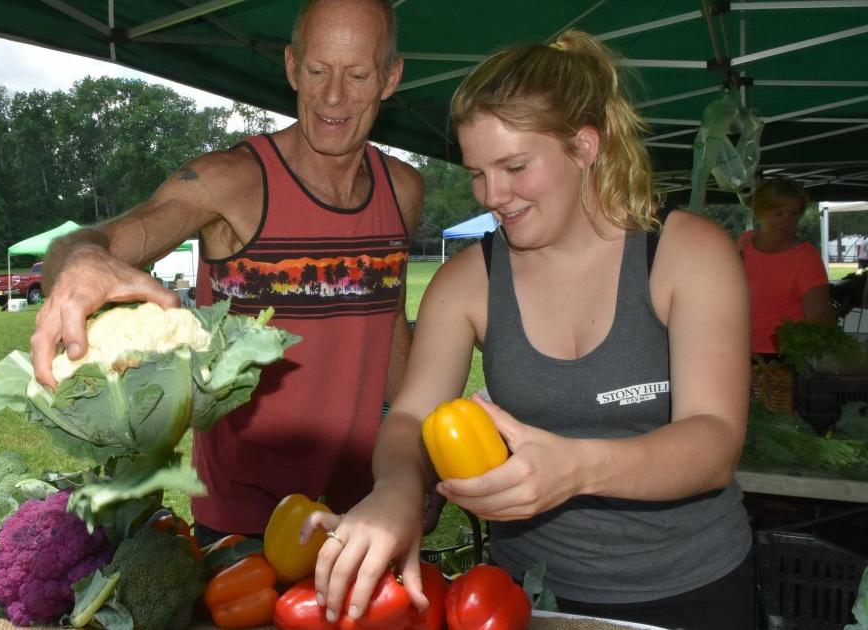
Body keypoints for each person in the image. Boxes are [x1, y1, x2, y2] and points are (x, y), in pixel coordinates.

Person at [303, 31, 754, 630]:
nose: (493, 196)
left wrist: (576, 468)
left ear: (585, 146)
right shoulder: (466, 282)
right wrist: (396, 491)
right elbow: (410, 417)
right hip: (523, 598)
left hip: (694, 591)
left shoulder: (687, 254)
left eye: (515, 167)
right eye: (477, 174)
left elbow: (715, 440)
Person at [31, 0, 421, 544]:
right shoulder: (229, 182)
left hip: (361, 512)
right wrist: (83, 261)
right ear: (290, 66)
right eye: (316, 71)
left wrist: (420, 461)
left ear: (390, 77)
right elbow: (92, 242)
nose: (334, 96)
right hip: (242, 524)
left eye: (357, 75)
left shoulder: (401, 192)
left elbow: (388, 329)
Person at [738, 177, 833, 357]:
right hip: (741, 350)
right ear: (760, 212)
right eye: (779, 213)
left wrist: (795, 355)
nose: (787, 221)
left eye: (794, 213)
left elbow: (818, 318)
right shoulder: (743, 243)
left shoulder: (806, 257)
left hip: (785, 358)